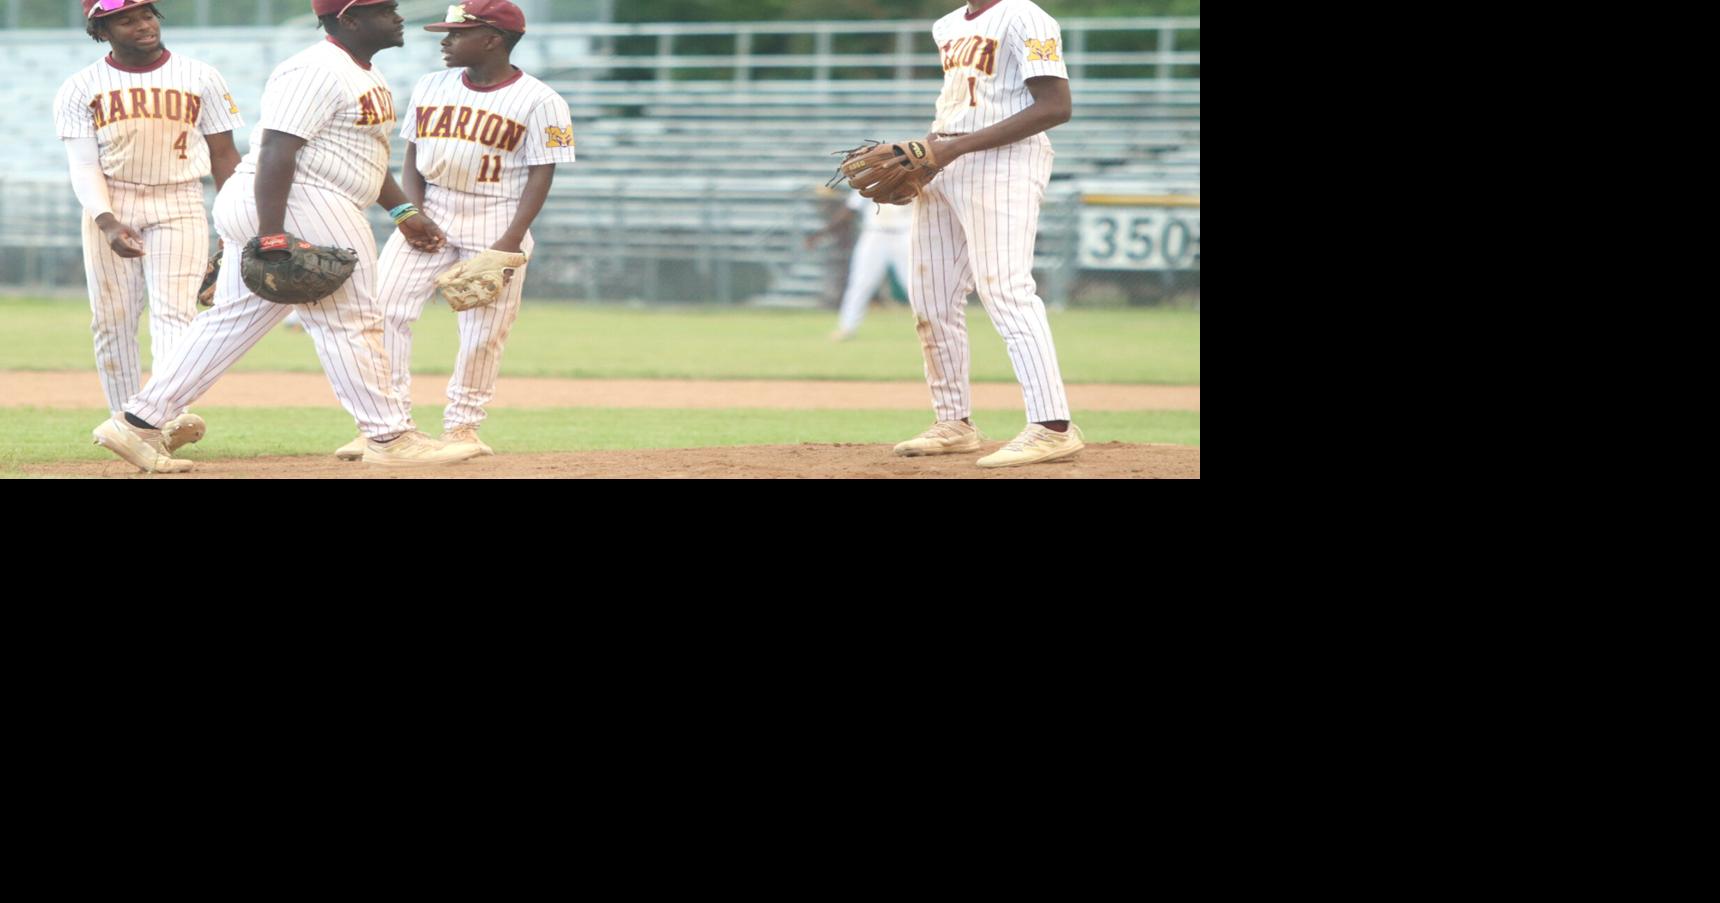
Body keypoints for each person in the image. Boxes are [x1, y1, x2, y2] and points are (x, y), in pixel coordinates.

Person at [90, 0, 476, 472]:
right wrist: (271, 233)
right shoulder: (314, 70)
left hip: (295, 199)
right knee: (350, 319)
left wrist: (400, 209)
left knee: (230, 322)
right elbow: (276, 147)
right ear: (349, 19)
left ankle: (134, 422)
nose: (396, 16)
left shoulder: (361, 72)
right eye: (383, 9)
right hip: (299, 200)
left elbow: (360, 156)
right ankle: (389, 436)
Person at [335, 0, 577, 461]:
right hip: (432, 210)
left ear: (492, 40)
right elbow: (412, 156)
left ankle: (463, 427)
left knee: (483, 330)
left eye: (455, 33)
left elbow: (542, 174)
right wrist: (408, 212)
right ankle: (385, 426)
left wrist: (508, 243)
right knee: (384, 311)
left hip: (497, 215)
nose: (444, 41)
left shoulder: (541, 100)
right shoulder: (431, 85)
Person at [891, 0, 1084, 469]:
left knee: (1006, 290)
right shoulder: (947, 24)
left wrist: (955, 147)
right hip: (946, 159)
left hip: (1004, 163)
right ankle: (953, 422)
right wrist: (926, 154)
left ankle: (1052, 427)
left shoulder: (1026, 16)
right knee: (931, 299)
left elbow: (1055, 106)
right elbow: (965, 103)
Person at [55, 0, 242, 452]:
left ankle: (159, 419)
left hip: (179, 196)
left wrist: (234, 216)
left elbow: (223, 154)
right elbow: (83, 166)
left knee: (176, 313)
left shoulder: (201, 76)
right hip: (112, 199)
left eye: (147, 14)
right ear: (100, 28)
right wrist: (106, 220)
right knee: (111, 320)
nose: (142, 24)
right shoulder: (80, 86)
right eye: (126, 18)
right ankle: (126, 423)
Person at [830, 192, 913, 342]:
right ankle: (847, 327)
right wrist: (825, 231)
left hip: (906, 233)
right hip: (875, 233)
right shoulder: (872, 173)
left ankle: (933, 325)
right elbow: (852, 207)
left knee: (914, 285)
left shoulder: (914, 171)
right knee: (861, 282)